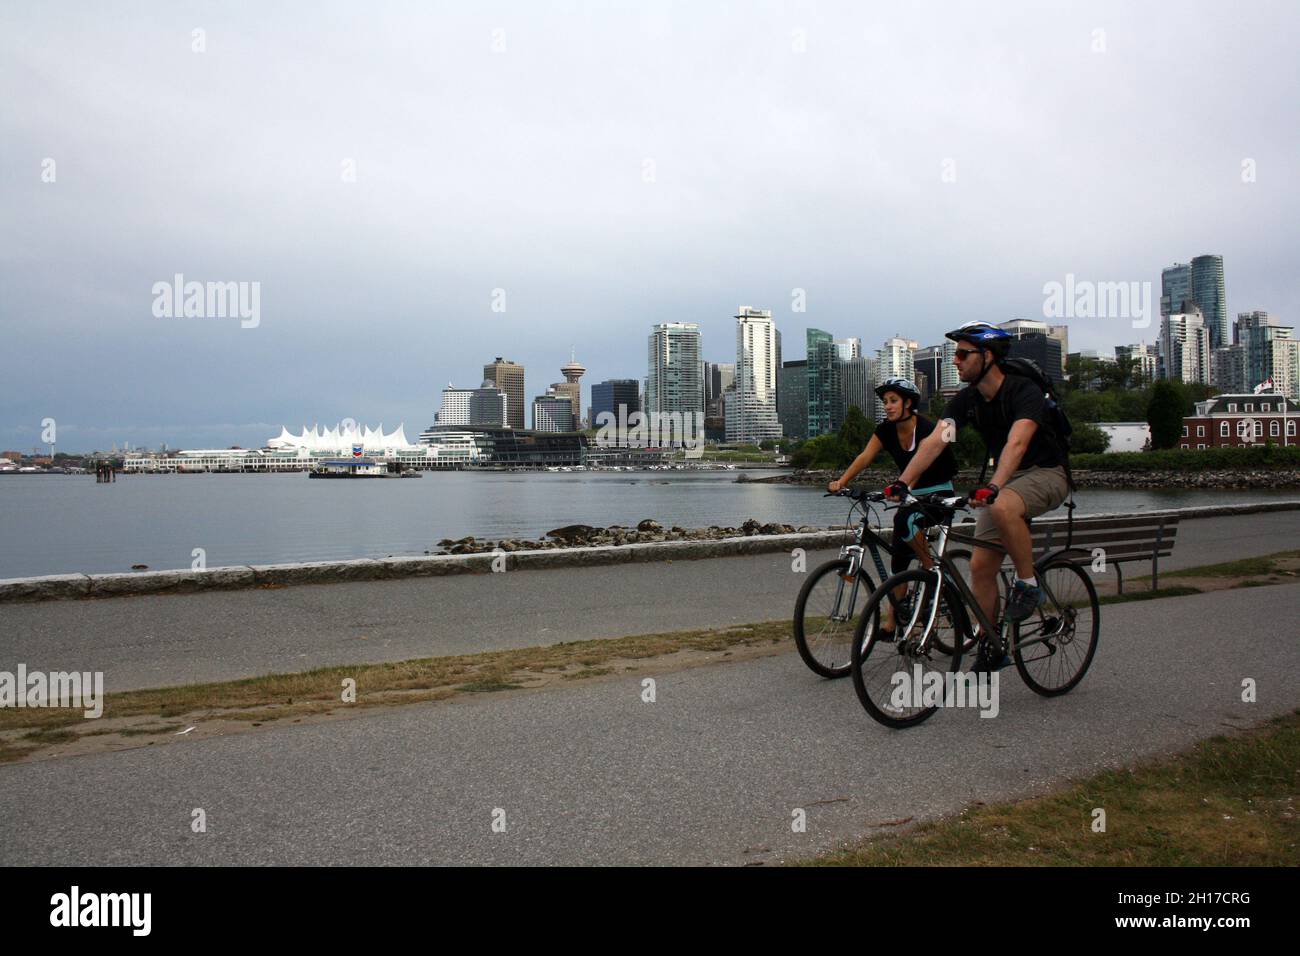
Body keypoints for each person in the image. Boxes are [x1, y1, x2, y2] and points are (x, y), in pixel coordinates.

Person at [886, 321, 1070, 670]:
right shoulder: (968, 400)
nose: (954, 360)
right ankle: (991, 645)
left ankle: (1028, 584)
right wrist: (904, 482)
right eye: (954, 354)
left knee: (1001, 504)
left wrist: (995, 486)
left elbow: (1017, 443)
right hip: (1007, 483)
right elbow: (935, 441)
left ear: (986, 356)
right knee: (980, 568)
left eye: (962, 353)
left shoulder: (1022, 391)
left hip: (1046, 474)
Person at [828, 377, 958, 637]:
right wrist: (841, 481)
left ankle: (931, 570)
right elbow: (865, 456)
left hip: (939, 493)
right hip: (909, 492)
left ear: (908, 403)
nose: (887, 406)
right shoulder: (885, 430)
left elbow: (920, 465)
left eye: (893, 401)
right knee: (898, 564)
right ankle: (891, 624)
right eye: (885, 401)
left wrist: (903, 488)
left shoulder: (927, 429)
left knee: (905, 522)